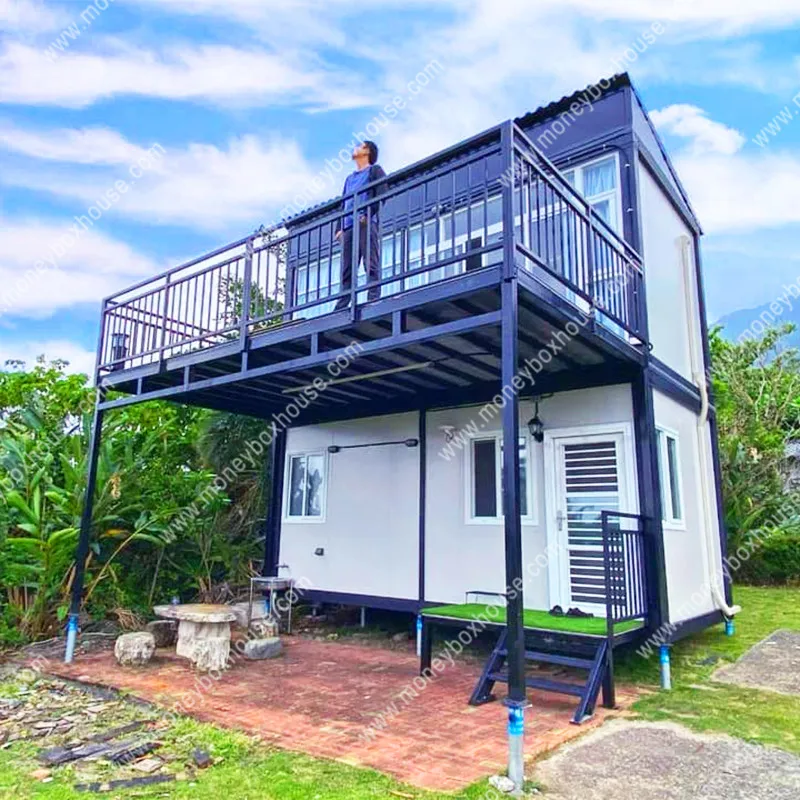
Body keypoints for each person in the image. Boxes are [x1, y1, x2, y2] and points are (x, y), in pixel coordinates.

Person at [334, 140, 387, 310]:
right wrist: (339, 228)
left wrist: (367, 213)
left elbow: (382, 194)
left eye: (360, 146)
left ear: (367, 152)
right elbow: (343, 204)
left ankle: (373, 298)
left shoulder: (375, 170)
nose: (355, 148)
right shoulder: (349, 179)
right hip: (348, 225)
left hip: (365, 222)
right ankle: (343, 304)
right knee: (347, 268)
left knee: (370, 261)